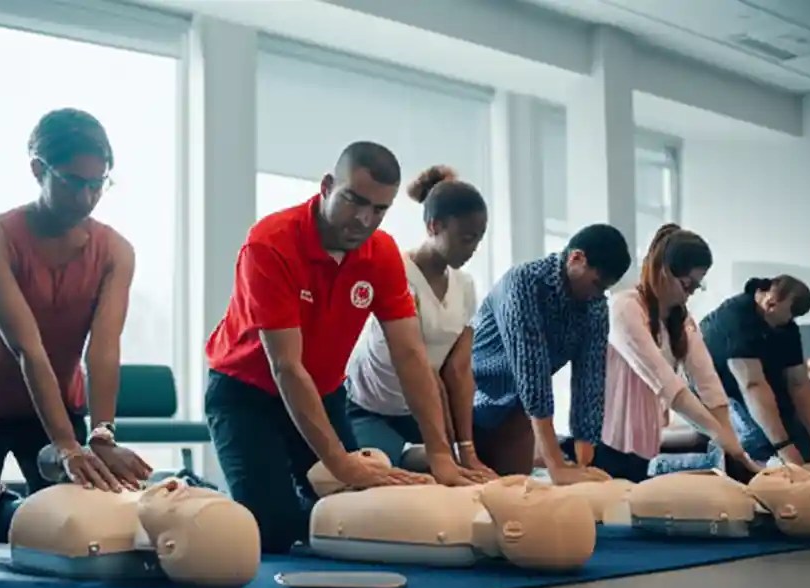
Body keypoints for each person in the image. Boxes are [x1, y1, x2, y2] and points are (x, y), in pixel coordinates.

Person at [0, 108, 151, 563]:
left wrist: (101, 435)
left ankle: (2, 507)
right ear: (38, 169)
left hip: (52, 405)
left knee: (79, 526)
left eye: (99, 183)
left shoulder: (115, 250)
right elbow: (27, 347)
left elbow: (104, 348)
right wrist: (67, 446)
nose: (88, 196)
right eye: (75, 182)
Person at [205, 141, 464, 554]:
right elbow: (287, 368)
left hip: (323, 393)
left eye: (379, 209)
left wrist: (440, 453)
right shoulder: (270, 244)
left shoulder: (381, 254)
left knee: (354, 518)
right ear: (327, 186)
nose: (364, 219)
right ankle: (205, 493)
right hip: (247, 393)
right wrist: (342, 463)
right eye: (354, 200)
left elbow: (411, 356)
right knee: (274, 531)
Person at [344, 165, 495, 479]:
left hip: (417, 410)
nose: (473, 249)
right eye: (466, 239)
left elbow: (459, 371)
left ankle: (414, 454)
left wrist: (466, 450)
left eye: (479, 239)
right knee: (379, 473)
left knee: (468, 464)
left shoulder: (465, 286)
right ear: (434, 226)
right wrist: (448, 454)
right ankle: (404, 456)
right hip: (372, 406)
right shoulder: (397, 272)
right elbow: (419, 365)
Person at [595, 224, 760, 482]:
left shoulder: (679, 320)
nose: (690, 293)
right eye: (687, 285)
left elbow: (708, 383)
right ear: (663, 271)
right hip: (605, 441)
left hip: (643, 444)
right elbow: (668, 386)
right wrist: (719, 435)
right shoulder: (625, 308)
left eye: (696, 287)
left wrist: (733, 445)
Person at [471, 224, 631, 481]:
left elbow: (590, 379)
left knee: (514, 487)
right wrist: (556, 465)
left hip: (515, 408)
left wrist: (583, 461)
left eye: (604, 289)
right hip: (471, 399)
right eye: (596, 283)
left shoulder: (595, 305)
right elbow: (532, 374)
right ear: (576, 258)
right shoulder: (524, 282)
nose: (597, 294)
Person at [700, 275, 810, 467]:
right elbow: (752, 385)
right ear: (771, 303)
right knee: (759, 444)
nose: (787, 323)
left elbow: (799, 382)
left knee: (790, 427)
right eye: (787, 316)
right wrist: (784, 447)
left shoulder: (786, 325)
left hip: (752, 380)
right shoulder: (736, 318)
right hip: (713, 387)